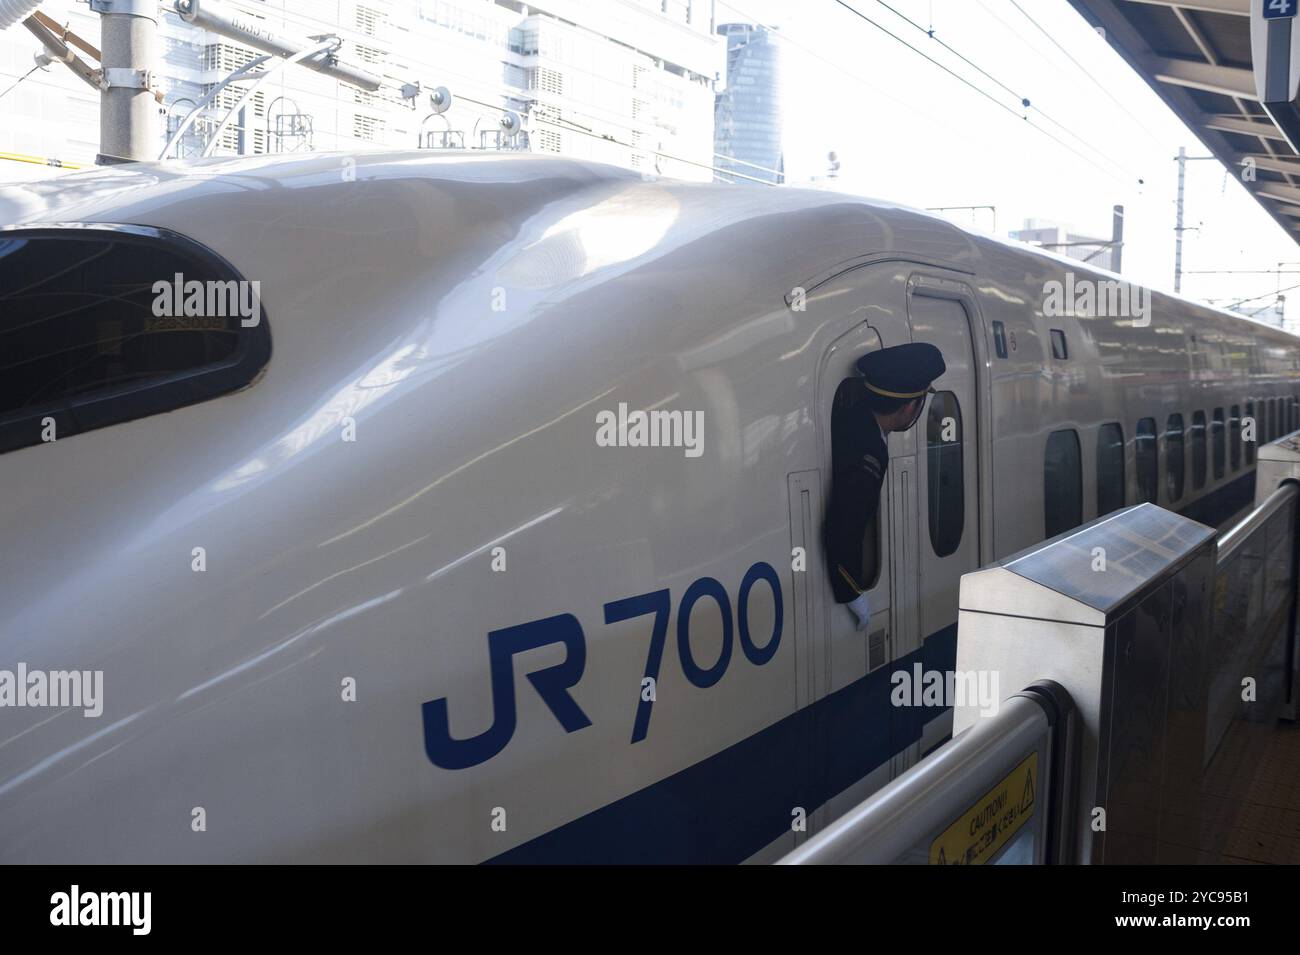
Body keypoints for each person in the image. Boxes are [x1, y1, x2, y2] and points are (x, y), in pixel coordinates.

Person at [824, 342, 946, 629]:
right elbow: (842, 527)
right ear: (910, 406)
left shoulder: (853, 419)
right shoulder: (868, 451)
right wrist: (851, 591)